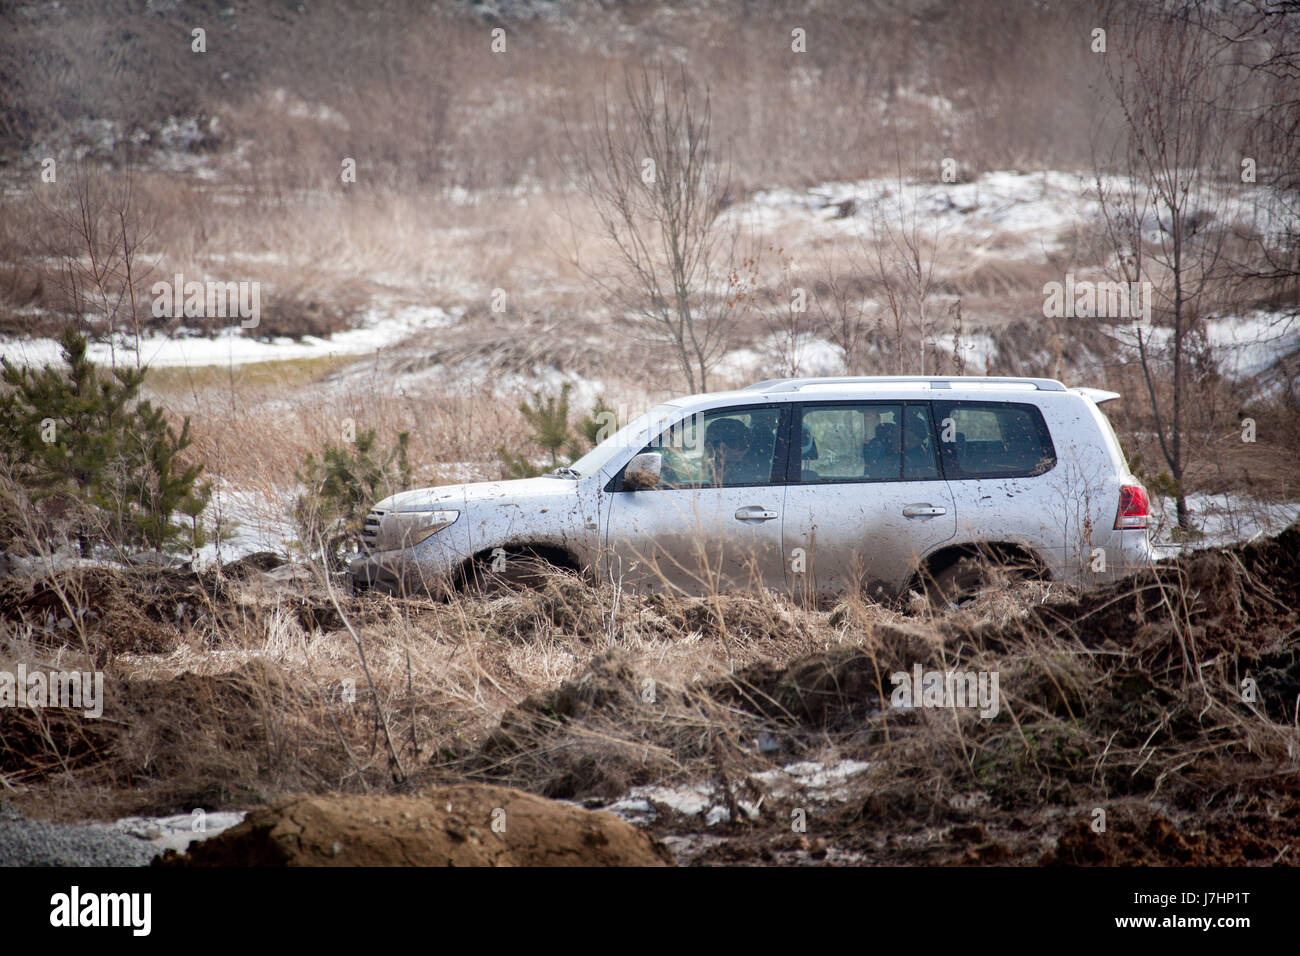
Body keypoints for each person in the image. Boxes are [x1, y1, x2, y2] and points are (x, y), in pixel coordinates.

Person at [703, 418, 770, 486]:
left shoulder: (753, 471)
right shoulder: (720, 466)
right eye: (742, 444)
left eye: (745, 444)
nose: (747, 449)